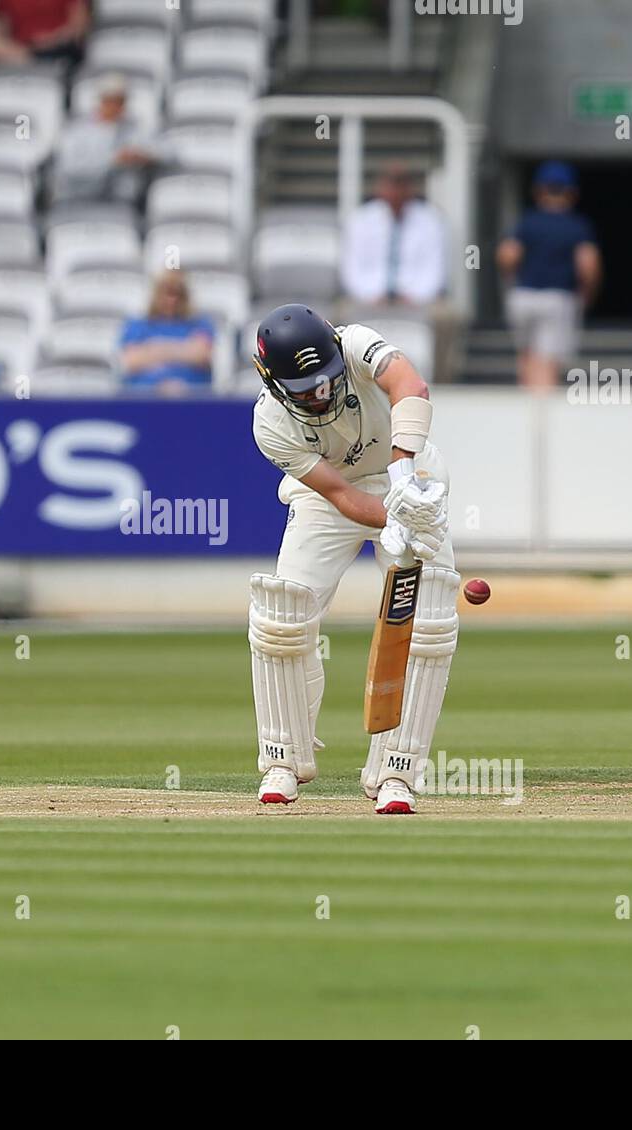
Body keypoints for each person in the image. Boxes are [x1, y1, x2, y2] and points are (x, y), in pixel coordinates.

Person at [248, 304, 457, 814]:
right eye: (305, 390)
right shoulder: (270, 424)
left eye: (326, 381)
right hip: (330, 500)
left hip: (407, 475)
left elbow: (412, 385)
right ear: (273, 383)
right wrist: (394, 519)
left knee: (427, 619)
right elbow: (341, 496)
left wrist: (407, 483)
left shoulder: (358, 342)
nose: (320, 396)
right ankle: (283, 758)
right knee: (282, 614)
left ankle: (397, 773)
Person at [340, 160, 455, 379]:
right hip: (368, 296)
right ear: (380, 188)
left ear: (410, 189)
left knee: (447, 318)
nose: (395, 192)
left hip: (418, 298)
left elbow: (435, 270)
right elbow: (352, 269)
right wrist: (374, 295)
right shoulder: (360, 220)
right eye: (391, 185)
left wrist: (412, 296)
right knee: (337, 318)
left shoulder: (431, 220)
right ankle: (348, 382)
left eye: (401, 185)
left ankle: (442, 382)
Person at [496, 161, 601, 389]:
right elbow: (589, 266)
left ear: (539, 191)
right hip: (558, 298)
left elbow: (507, 256)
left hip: (523, 296)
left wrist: (512, 282)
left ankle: (527, 407)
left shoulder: (527, 222)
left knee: (526, 356)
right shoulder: (577, 226)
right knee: (548, 361)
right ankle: (541, 419)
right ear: (572, 193)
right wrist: (587, 294)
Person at [52, 74, 160, 207]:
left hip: (122, 202)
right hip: (77, 199)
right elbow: (69, 167)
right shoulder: (77, 130)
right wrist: (112, 161)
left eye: (120, 101)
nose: (116, 106)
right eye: (111, 100)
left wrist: (146, 156)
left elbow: (163, 150)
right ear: (101, 101)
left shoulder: (134, 127)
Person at [119, 271, 215, 394]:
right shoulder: (137, 325)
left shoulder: (200, 324)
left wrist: (152, 349)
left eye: (177, 294)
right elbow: (131, 360)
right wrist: (184, 349)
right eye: (165, 294)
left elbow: (201, 355)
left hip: (192, 400)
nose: (171, 300)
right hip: (144, 401)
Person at [0, 0, 90, 66]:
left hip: (59, 46)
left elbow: (78, 27)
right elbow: (3, 32)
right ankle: (34, 61)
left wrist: (49, 41)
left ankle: (32, 62)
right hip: (22, 49)